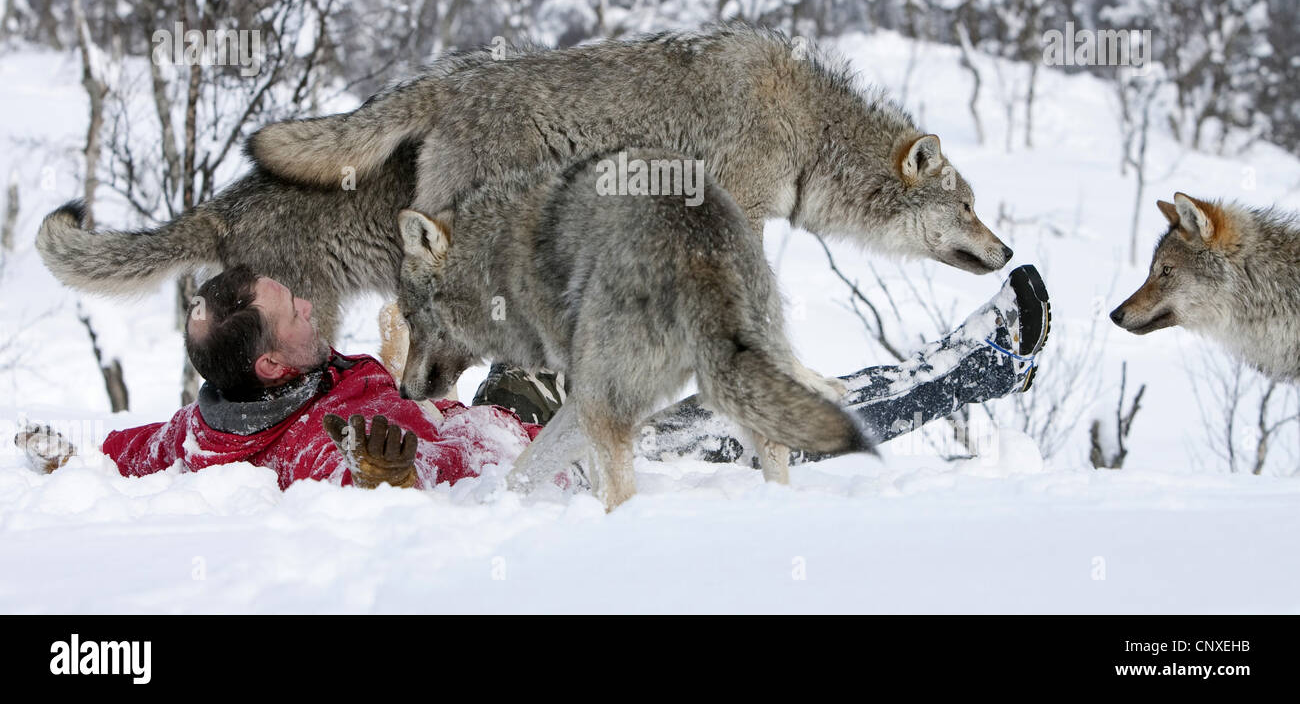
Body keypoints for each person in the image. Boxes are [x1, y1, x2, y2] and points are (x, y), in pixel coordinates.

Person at [16, 264, 1050, 489]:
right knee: (735, 424)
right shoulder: (292, 447)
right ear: (275, 356)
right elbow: (388, 494)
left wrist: (60, 453)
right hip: (531, 471)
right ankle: (974, 368)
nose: (311, 300)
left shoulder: (200, 425)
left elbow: (111, 459)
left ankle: (963, 364)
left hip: (504, 419)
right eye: (296, 308)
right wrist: (382, 456)